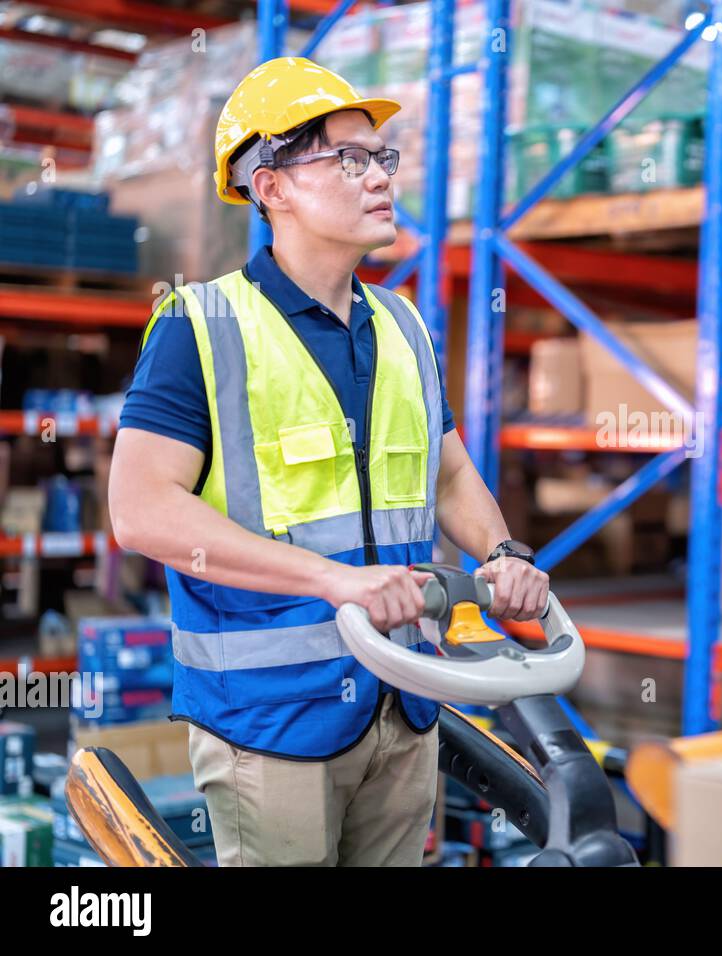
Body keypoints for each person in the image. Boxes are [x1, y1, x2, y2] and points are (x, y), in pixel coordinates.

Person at [107, 57, 549, 867]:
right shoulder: (200, 326)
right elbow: (141, 513)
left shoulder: (406, 326)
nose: (380, 176)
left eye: (382, 157)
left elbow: (449, 474)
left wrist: (503, 552)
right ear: (269, 186)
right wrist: (332, 580)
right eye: (348, 158)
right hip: (273, 723)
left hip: (407, 704)